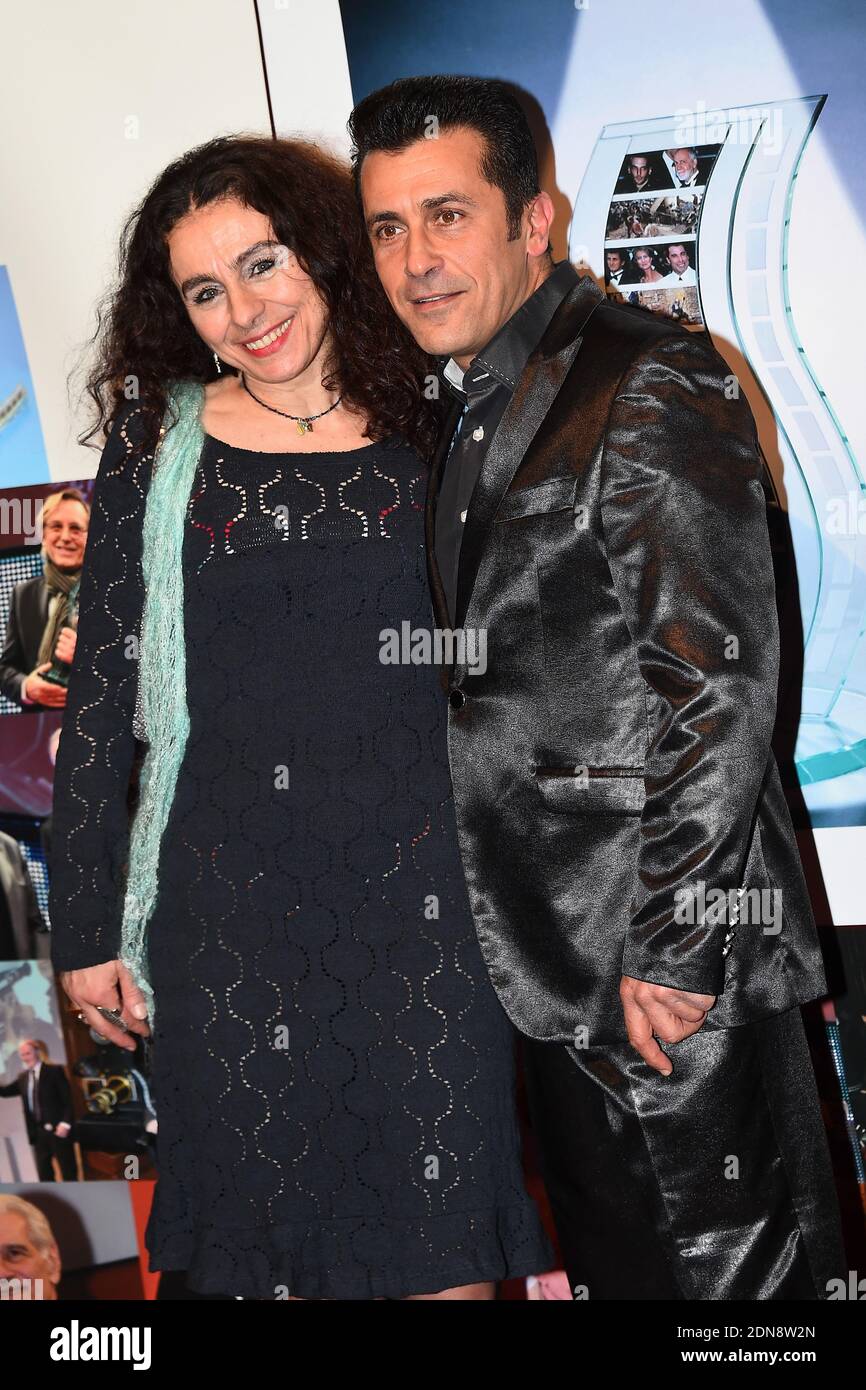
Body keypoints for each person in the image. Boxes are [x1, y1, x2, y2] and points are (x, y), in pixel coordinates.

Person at [349, 73, 847, 1300]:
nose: (414, 259)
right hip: (550, 968)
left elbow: (718, 688)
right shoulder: (468, 407)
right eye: (387, 227)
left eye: (447, 215)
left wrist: (674, 950)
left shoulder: (651, 378)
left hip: (667, 972)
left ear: (537, 220)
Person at [47, 135, 553, 1302]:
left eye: (263, 263)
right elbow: (103, 696)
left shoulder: (442, 412)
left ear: (322, 249)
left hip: (429, 905)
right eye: (205, 291)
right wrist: (84, 928)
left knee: (446, 1257)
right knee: (255, 1264)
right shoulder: (157, 439)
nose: (244, 311)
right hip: (228, 912)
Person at [0, 489, 89, 710]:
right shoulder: (23, 594)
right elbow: (6, 669)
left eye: (76, 528)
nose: (65, 537)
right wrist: (27, 687)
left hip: (96, 724)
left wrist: (88, 655)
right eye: (56, 526)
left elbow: (135, 665)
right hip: (37, 728)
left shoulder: (110, 592)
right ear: (44, 535)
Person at [0, 1040, 76, 1180]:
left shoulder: (54, 1071)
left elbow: (68, 1100)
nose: (25, 1057)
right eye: (22, 1055)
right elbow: (4, 1092)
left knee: (68, 1172)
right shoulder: (23, 1077)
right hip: (38, 1133)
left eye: (28, 1053)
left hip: (58, 1130)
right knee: (44, 1175)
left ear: (37, 1052)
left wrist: (65, 1123)